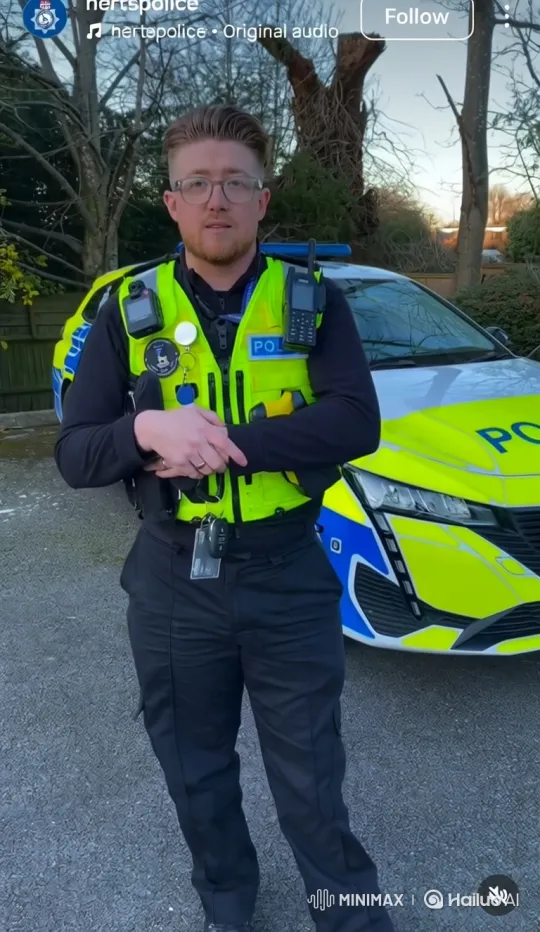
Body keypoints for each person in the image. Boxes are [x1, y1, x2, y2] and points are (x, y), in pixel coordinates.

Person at [54, 105, 395, 932]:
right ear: (172, 202)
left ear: (261, 201)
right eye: (198, 183)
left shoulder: (312, 301)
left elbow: (357, 421)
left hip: (287, 574)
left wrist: (223, 444)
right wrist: (145, 429)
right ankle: (228, 902)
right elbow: (76, 454)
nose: (217, 199)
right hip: (173, 580)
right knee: (195, 766)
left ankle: (350, 914)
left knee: (311, 771)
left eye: (236, 182)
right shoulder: (126, 310)